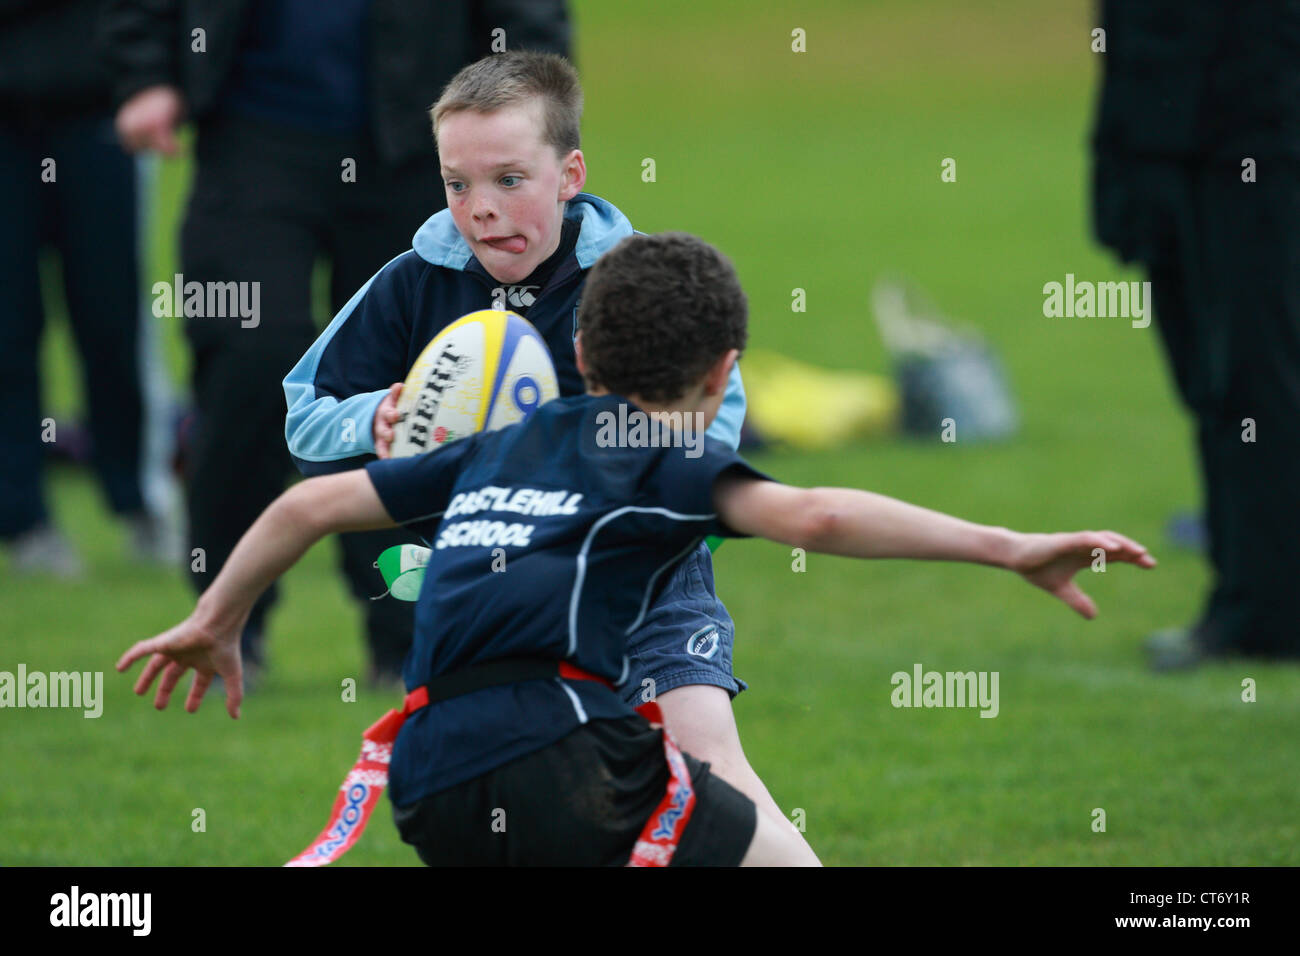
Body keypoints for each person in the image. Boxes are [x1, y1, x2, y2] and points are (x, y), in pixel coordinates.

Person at [117, 231, 1156, 866]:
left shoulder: (503, 440)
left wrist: (218, 616)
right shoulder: (662, 457)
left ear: (576, 352)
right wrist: (1010, 544)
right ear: (722, 376)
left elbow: (304, 509)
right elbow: (820, 518)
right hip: (560, 751)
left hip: (425, 776)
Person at [278, 50, 814, 855]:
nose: (481, 209)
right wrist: (380, 417)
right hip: (497, 596)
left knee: (711, 766)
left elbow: (716, 427)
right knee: (557, 815)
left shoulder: (632, 281)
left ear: (569, 175)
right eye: (457, 185)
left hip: (644, 578)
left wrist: (575, 454)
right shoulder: (412, 283)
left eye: (508, 180)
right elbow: (304, 412)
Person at [103, 0, 571, 685]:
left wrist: (533, 125)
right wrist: (144, 73)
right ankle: (231, 621)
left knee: (429, 383)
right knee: (249, 357)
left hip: (423, 144)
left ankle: (405, 633)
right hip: (251, 131)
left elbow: (529, 12)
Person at [1091, 0, 1300, 670]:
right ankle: (1245, 583)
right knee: (1209, 383)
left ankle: (1268, 610)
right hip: (1154, 133)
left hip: (1256, 138)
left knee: (1254, 381)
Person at [0, 0, 168, 576]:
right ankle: (24, 520)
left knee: (112, 319)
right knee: (9, 327)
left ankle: (139, 499)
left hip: (96, 114)